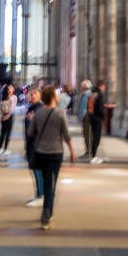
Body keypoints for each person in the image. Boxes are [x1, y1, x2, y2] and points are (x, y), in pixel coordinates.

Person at [28, 85, 76, 229]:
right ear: (54, 97)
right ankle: (46, 214)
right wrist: (72, 152)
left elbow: (30, 133)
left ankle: (47, 212)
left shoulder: (38, 113)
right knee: (51, 184)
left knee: (47, 181)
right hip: (56, 153)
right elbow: (67, 135)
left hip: (41, 152)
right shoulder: (60, 113)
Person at [23, 88, 44, 206]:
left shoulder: (39, 108)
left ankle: (41, 195)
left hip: (36, 143)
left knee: (37, 170)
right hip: (31, 143)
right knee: (35, 170)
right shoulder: (32, 108)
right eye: (31, 94)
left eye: (35, 94)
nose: (32, 96)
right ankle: (39, 193)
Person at [88, 80, 106, 164]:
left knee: (94, 136)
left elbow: (90, 105)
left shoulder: (93, 93)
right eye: (104, 87)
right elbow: (100, 107)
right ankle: (94, 157)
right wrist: (103, 117)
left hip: (91, 117)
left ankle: (93, 156)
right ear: (101, 86)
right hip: (97, 118)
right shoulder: (100, 94)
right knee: (97, 137)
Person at [0, 84, 17, 157]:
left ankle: (5, 149)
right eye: (8, 89)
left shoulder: (14, 97)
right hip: (4, 116)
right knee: (3, 133)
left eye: (11, 89)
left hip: (9, 116)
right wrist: (3, 115)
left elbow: (13, 108)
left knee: (7, 134)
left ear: (13, 90)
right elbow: (0, 107)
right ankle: (0, 149)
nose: (9, 90)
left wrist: (7, 116)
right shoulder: (4, 97)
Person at [77, 79, 93, 160]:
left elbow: (83, 107)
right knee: (88, 135)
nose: (80, 87)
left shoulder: (86, 94)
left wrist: (81, 117)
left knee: (87, 135)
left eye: (81, 86)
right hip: (89, 116)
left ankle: (89, 153)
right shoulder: (90, 93)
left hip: (86, 117)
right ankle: (88, 152)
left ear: (84, 87)